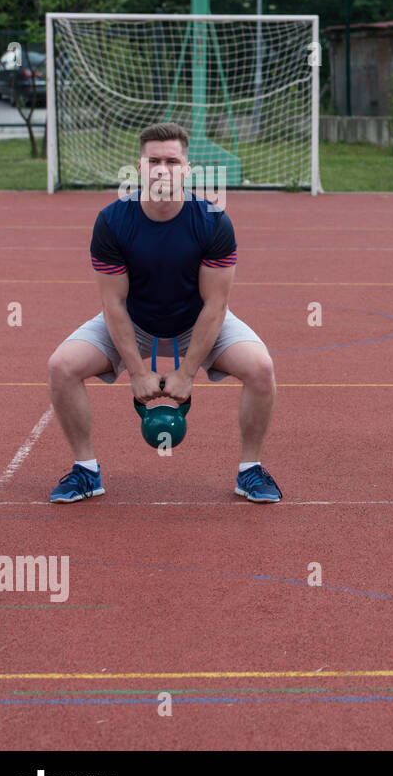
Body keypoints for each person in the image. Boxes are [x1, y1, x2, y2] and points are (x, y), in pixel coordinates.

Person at [46, 123, 282, 503]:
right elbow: (113, 305)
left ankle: (250, 470)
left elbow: (215, 305)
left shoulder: (212, 222)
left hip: (196, 320)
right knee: (62, 366)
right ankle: (86, 472)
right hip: (133, 320)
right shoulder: (112, 221)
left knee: (261, 368)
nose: (161, 169)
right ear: (139, 167)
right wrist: (138, 374)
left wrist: (187, 373)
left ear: (187, 169)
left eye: (171, 161)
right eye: (153, 160)